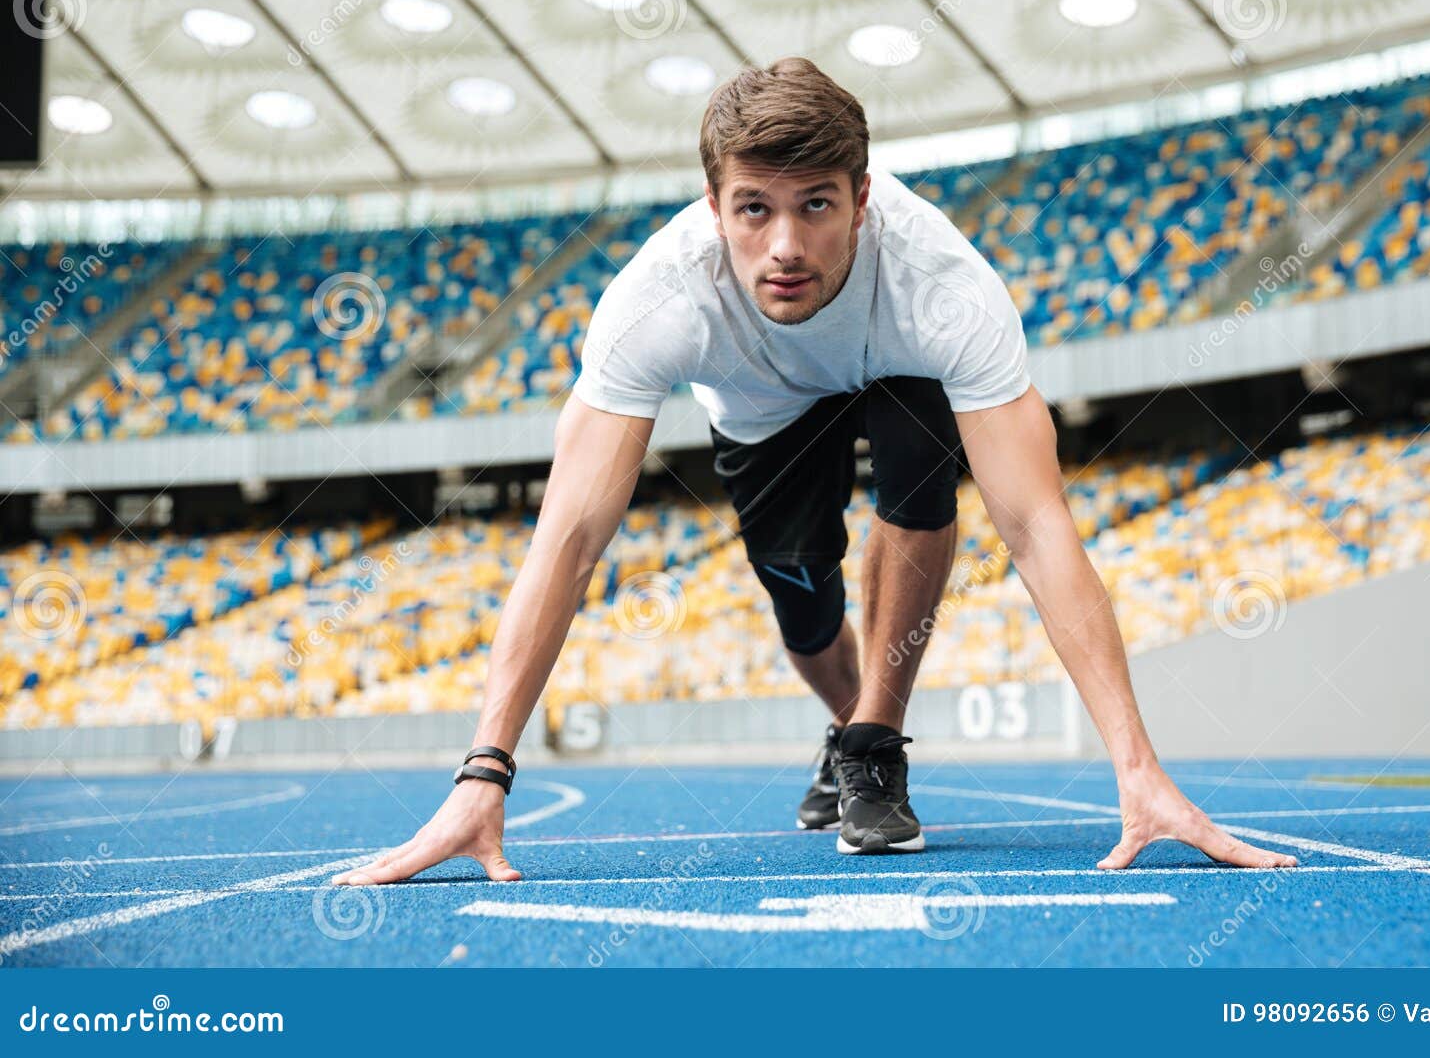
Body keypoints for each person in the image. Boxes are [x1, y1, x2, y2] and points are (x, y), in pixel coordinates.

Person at [332, 57, 1298, 884]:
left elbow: (1039, 527)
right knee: (801, 596)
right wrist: (483, 773)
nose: (786, 247)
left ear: (863, 199)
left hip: (897, 368)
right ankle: (846, 726)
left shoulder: (946, 290)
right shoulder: (656, 302)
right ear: (713, 207)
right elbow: (570, 538)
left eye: (817, 207)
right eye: (753, 210)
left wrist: (1137, 767)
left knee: (920, 450)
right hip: (760, 413)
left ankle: (873, 746)